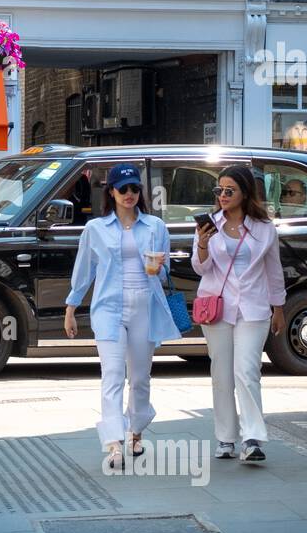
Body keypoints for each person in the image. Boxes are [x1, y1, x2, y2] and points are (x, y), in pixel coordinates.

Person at [65, 164, 181, 469]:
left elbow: (166, 267)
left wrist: (159, 267)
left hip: (145, 304)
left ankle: (136, 430)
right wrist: (71, 307)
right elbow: (84, 270)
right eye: (123, 189)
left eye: (134, 189)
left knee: (140, 378)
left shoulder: (156, 226)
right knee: (113, 375)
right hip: (108, 308)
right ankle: (114, 442)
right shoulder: (95, 229)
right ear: (111, 192)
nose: (129, 194)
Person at [192, 165, 287, 462]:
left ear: (245, 193)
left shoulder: (264, 229)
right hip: (218, 309)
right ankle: (225, 439)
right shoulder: (211, 226)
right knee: (221, 374)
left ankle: (253, 438)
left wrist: (279, 307)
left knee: (247, 371)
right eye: (219, 190)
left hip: (253, 308)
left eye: (229, 190)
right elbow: (200, 267)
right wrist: (203, 245)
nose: (222, 195)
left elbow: (274, 271)